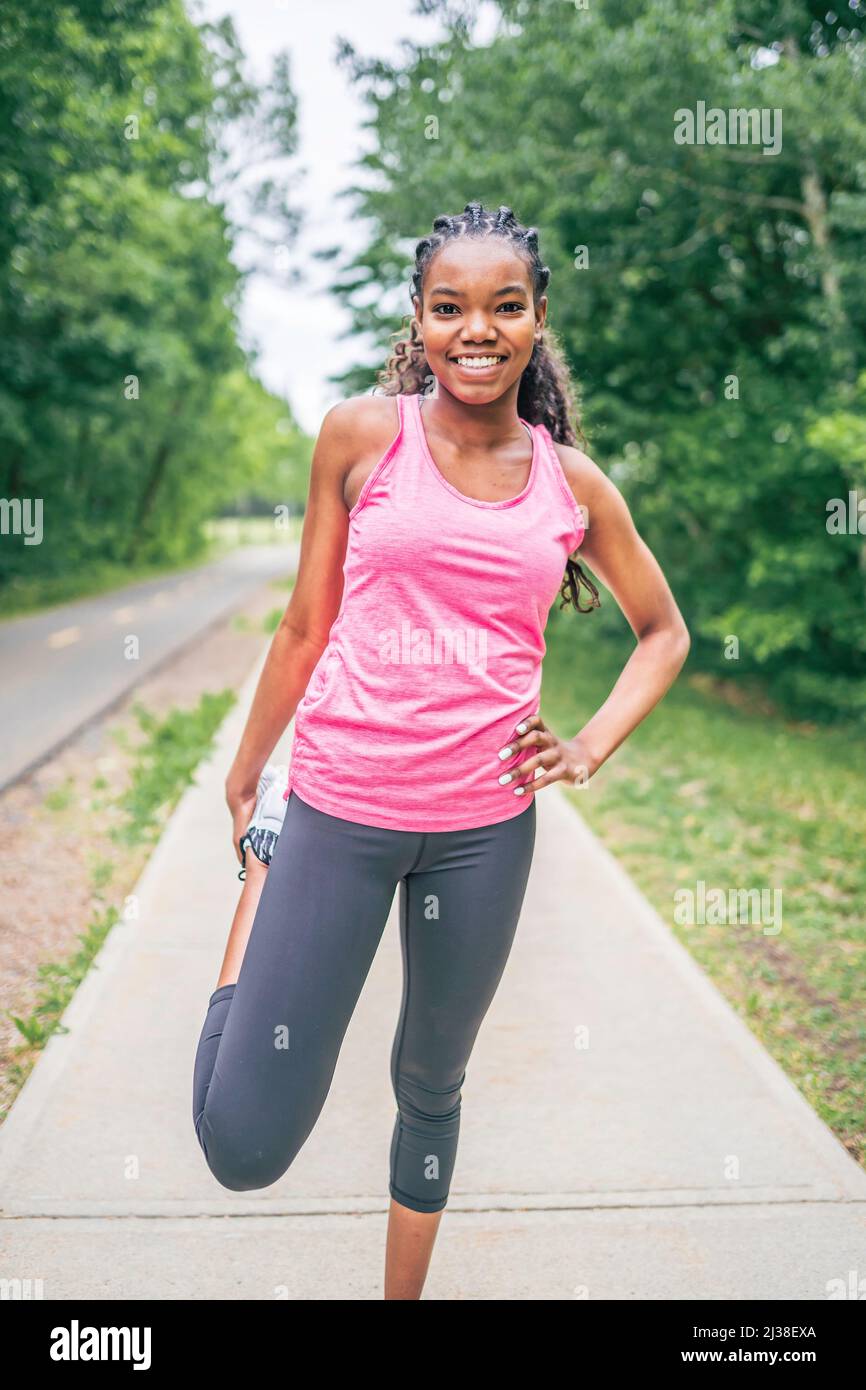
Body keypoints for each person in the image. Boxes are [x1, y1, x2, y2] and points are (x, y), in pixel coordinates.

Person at [191, 201, 690, 1300]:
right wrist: (246, 774)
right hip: (334, 808)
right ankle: (260, 873)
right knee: (241, 1143)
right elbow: (304, 624)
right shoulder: (363, 435)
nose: (477, 328)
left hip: (482, 835)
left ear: (536, 319)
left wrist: (589, 747)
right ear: (418, 321)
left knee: (432, 1082)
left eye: (503, 306)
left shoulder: (572, 482)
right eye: (449, 306)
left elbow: (664, 631)